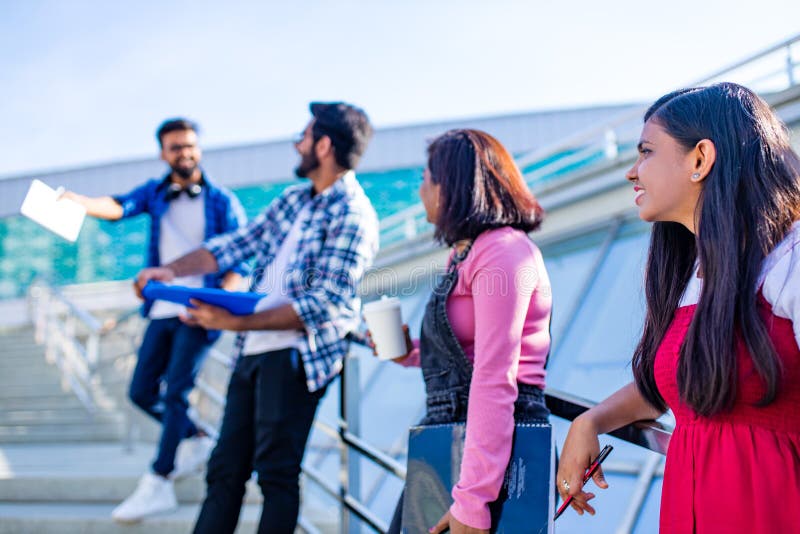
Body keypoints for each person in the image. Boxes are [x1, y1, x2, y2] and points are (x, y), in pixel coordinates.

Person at [556, 83, 800, 532]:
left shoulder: (791, 260)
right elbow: (678, 386)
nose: (632, 172)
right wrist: (590, 421)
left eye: (646, 152)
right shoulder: (694, 273)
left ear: (701, 160)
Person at [134, 102, 378, 533]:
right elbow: (235, 244)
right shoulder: (293, 200)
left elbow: (322, 304)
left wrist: (235, 324)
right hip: (252, 352)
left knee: (276, 475)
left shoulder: (354, 214)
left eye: (303, 137)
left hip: (296, 359)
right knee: (223, 470)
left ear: (323, 145)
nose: (297, 144)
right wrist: (171, 271)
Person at [61, 118, 248, 522]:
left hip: (201, 310)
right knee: (141, 391)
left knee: (178, 390)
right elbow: (117, 207)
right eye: (176, 147)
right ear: (163, 153)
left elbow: (239, 256)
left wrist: (224, 301)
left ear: (199, 148)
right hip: (160, 307)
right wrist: (80, 203)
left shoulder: (223, 201)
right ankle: (194, 436)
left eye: (190, 146)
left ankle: (159, 481)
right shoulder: (155, 193)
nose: (185, 153)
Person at [382, 129, 553, 534]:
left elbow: (494, 376)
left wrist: (473, 502)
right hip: (456, 438)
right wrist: (409, 351)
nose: (421, 191)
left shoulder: (503, 252)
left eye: (426, 179)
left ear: (452, 186)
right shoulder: (466, 253)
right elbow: (468, 352)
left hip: (494, 451)